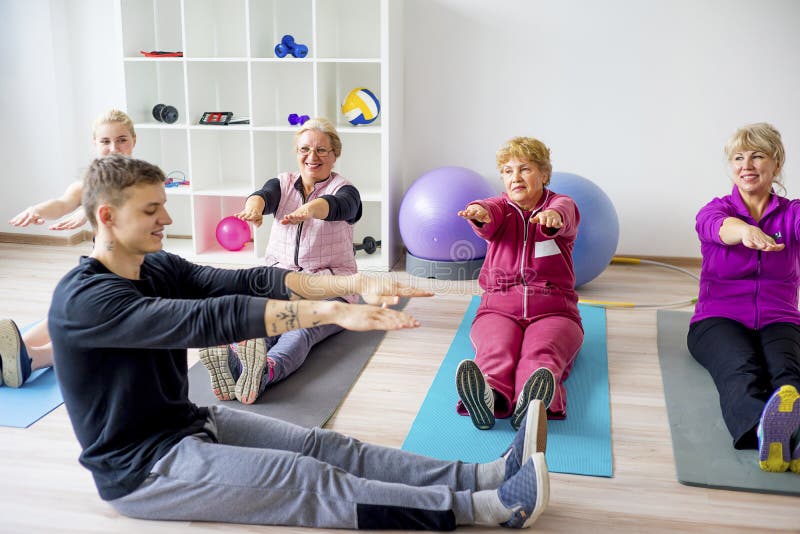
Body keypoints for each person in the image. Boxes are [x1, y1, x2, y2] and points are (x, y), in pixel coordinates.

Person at [48, 154, 550, 530]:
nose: (167, 219)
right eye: (151, 209)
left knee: (326, 446)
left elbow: (249, 282)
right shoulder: (87, 301)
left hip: (189, 422)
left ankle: (484, 475)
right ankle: (487, 507)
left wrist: (352, 283)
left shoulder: (156, 266)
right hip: (145, 468)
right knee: (308, 479)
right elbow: (209, 319)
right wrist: (329, 312)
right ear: (108, 216)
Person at [199, 117, 364, 404]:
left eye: (321, 150)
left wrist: (310, 209)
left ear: (334, 154)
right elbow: (263, 195)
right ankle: (236, 364)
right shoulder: (283, 183)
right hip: (282, 280)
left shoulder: (345, 190)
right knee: (262, 320)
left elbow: (339, 206)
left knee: (301, 327)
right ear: (296, 152)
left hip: (331, 287)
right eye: (305, 149)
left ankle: (265, 371)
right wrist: (253, 209)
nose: (312, 157)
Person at [687, 122, 800, 474]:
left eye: (757, 156)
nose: (746, 165)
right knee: (740, 370)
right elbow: (717, 228)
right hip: (717, 318)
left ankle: (796, 438)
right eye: (738, 157)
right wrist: (746, 231)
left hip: (779, 317)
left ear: (776, 164)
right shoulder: (717, 210)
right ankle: (764, 431)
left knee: (788, 373)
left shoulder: (792, 212)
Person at [455, 136, 583, 431]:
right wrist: (479, 211)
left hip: (554, 310)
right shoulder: (501, 208)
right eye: (508, 171)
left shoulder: (561, 205)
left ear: (544, 174)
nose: (516, 177)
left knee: (542, 353)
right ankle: (488, 397)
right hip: (499, 308)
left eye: (525, 169)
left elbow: (565, 213)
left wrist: (553, 217)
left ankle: (532, 402)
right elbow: (490, 209)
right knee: (497, 348)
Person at [1, 109, 136, 388]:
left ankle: (31, 359)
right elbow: (62, 203)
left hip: (134, 273)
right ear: (95, 144)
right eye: (105, 141)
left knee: (87, 321)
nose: (114, 148)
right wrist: (37, 210)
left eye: (122, 140)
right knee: (65, 311)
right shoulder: (88, 182)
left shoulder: (142, 179)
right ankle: (10, 354)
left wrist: (88, 212)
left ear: (134, 141)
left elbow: (116, 200)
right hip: (100, 267)